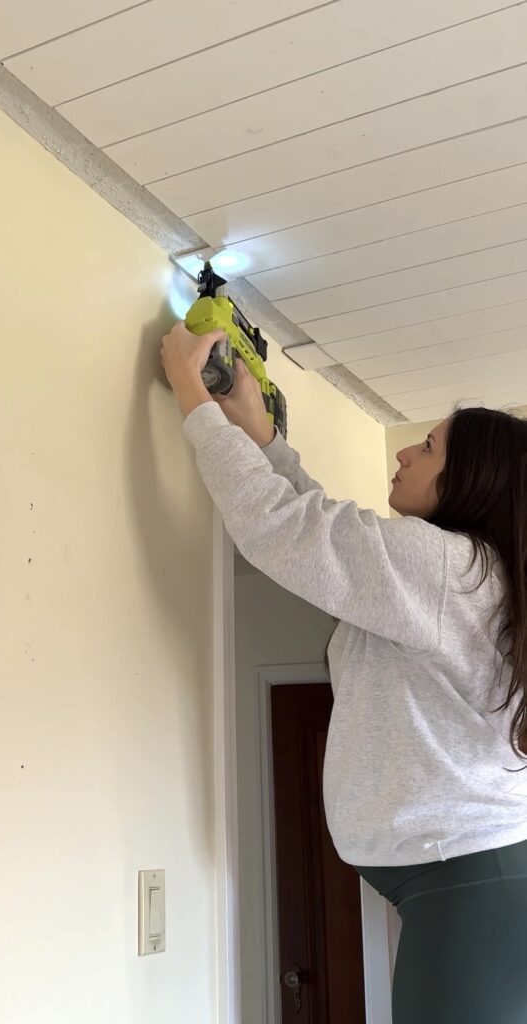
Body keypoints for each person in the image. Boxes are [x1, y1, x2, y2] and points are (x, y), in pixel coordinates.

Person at [161, 321, 527, 1024]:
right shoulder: (477, 575)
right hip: (477, 892)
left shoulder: (445, 567)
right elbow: (327, 538)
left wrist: (192, 396)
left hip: (467, 896)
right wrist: (264, 441)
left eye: (427, 448)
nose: (403, 451)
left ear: (473, 479)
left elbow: (287, 531)